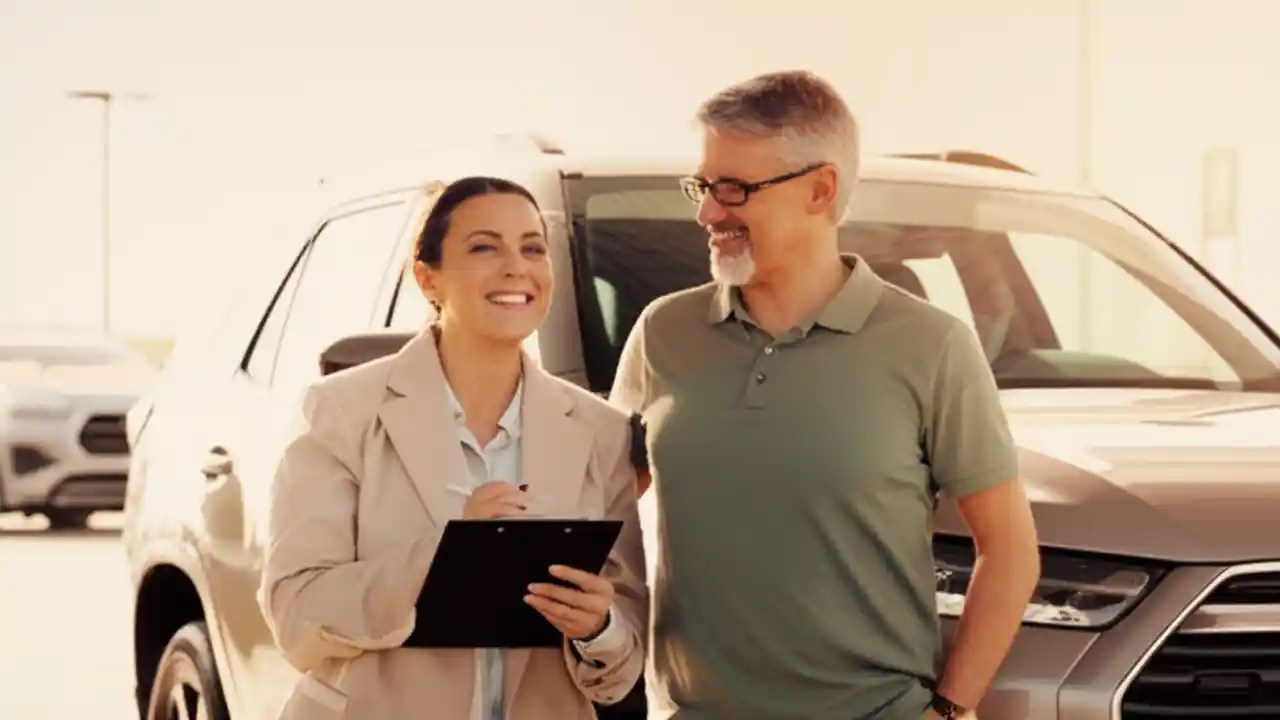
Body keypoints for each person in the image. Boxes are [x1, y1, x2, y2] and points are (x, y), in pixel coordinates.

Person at [610, 71, 1041, 720]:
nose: (706, 211)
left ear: (820, 189)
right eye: (703, 186)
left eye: (733, 189)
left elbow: (1008, 548)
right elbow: (601, 512)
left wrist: (950, 710)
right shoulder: (662, 333)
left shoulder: (932, 346)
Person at [259, 176, 648, 719]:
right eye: (484, 247)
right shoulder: (342, 410)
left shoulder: (601, 432)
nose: (516, 267)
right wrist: (444, 557)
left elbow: (623, 662)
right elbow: (296, 614)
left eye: (532, 248)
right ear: (427, 279)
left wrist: (598, 628)